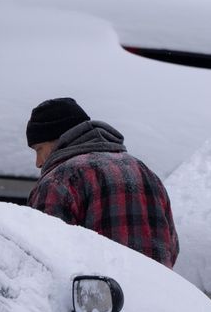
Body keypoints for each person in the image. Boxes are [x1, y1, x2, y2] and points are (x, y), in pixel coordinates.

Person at [24, 97, 179, 268]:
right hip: (155, 292)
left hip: (97, 293)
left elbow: (43, 258)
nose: (38, 162)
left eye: (39, 149)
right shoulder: (145, 172)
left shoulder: (59, 180)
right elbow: (172, 246)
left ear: (59, 138)